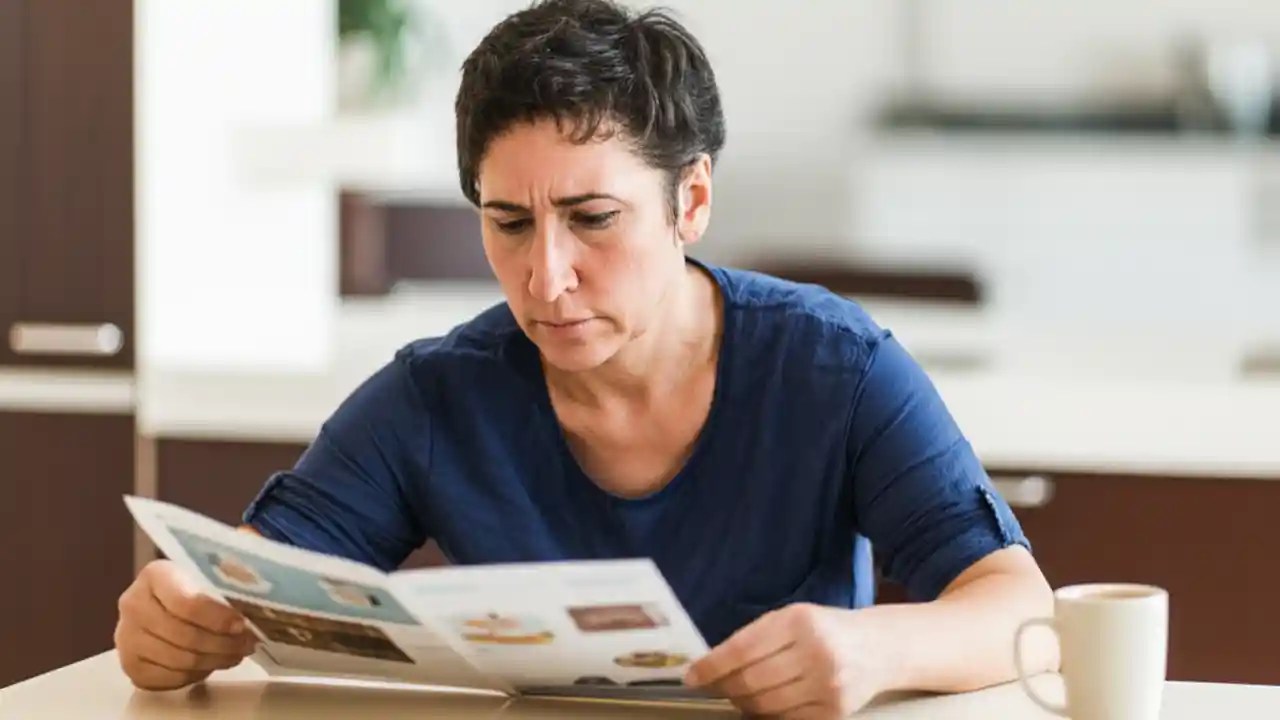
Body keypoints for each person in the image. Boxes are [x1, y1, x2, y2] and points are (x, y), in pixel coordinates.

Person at [114, 0, 1058, 716]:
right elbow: (255, 581)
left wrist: (873, 653)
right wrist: (176, 616)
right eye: (509, 223)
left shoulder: (837, 370)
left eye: (593, 220)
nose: (546, 276)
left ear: (689, 203)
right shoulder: (434, 397)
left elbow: (1021, 609)